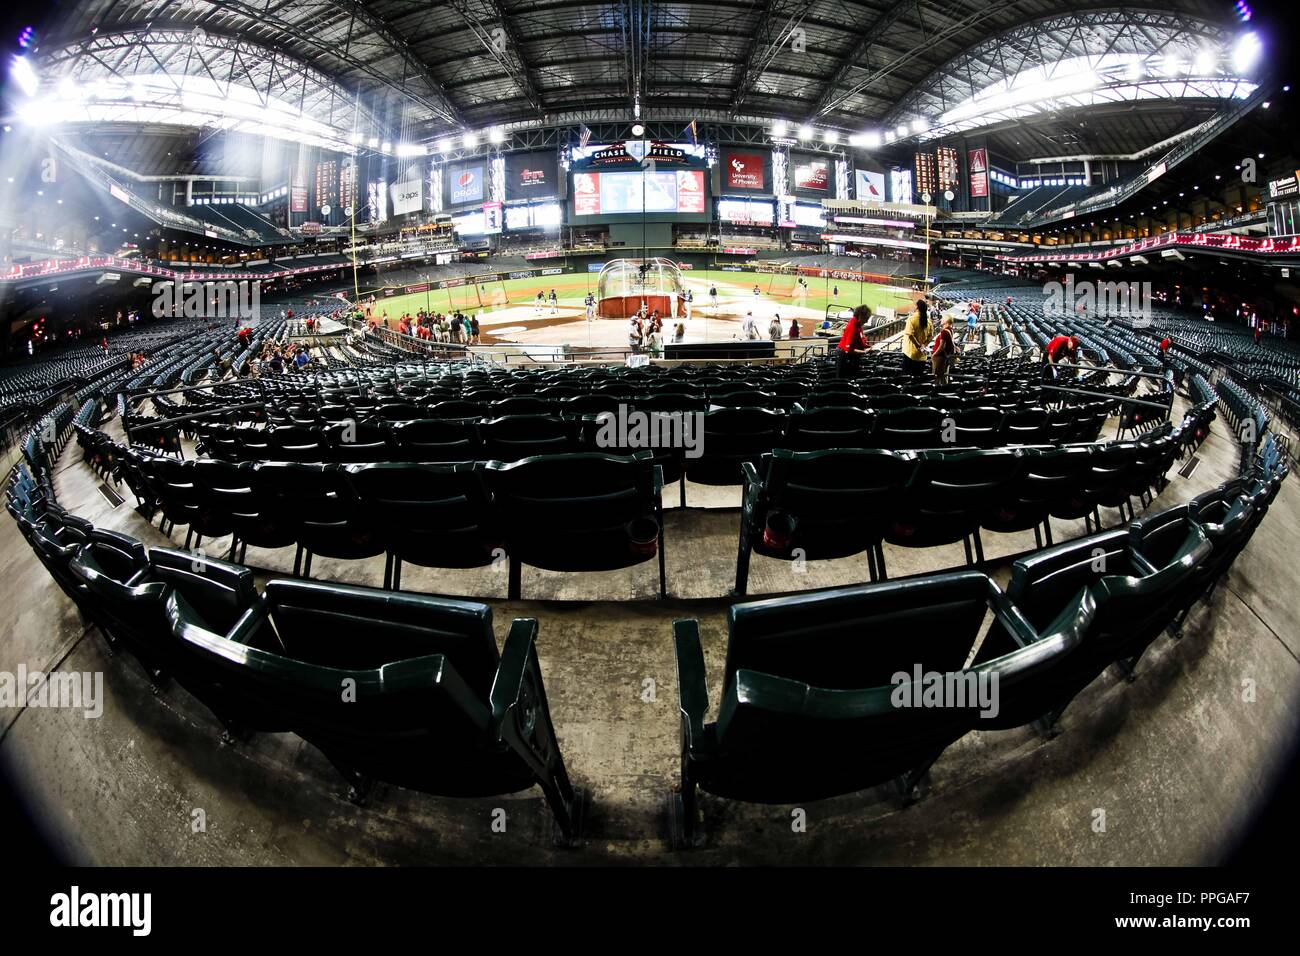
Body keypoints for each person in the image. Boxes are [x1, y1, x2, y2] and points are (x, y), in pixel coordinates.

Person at [836, 304, 871, 378]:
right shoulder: (852, 326)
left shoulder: (858, 325)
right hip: (844, 358)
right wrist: (864, 352)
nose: (867, 320)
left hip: (851, 357)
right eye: (866, 318)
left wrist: (868, 347)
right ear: (861, 316)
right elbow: (848, 350)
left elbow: (860, 341)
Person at [901, 299, 932, 378]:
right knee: (917, 380)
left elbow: (910, 335)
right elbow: (930, 337)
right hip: (922, 357)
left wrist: (918, 346)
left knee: (907, 379)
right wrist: (923, 346)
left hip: (910, 355)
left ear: (917, 307)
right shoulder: (928, 321)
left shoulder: (911, 319)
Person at [932, 317, 957, 384]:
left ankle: (938, 390)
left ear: (946, 321)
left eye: (942, 319)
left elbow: (941, 346)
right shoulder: (950, 330)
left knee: (938, 375)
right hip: (943, 357)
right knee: (942, 375)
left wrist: (934, 354)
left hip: (940, 357)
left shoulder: (944, 331)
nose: (941, 319)